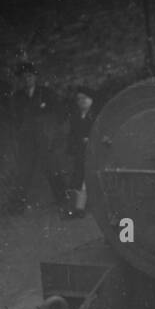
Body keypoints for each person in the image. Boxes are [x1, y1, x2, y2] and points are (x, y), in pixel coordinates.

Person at [8, 62, 57, 212]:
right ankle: (17, 204)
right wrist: (20, 132)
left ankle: (62, 198)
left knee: (51, 167)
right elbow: (15, 118)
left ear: (35, 77)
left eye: (29, 76)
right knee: (24, 171)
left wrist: (50, 131)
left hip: (43, 137)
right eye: (24, 78)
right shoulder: (18, 97)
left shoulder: (45, 93)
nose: (27, 80)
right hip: (27, 139)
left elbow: (57, 112)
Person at [64, 87, 95, 219]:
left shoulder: (96, 115)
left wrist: (90, 139)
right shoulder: (76, 117)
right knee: (76, 179)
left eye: (85, 98)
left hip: (93, 151)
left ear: (91, 100)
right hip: (79, 152)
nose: (82, 101)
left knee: (85, 180)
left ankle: (79, 208)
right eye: (79, 99)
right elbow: (72, 135)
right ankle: (73, 209)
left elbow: (101, 132)